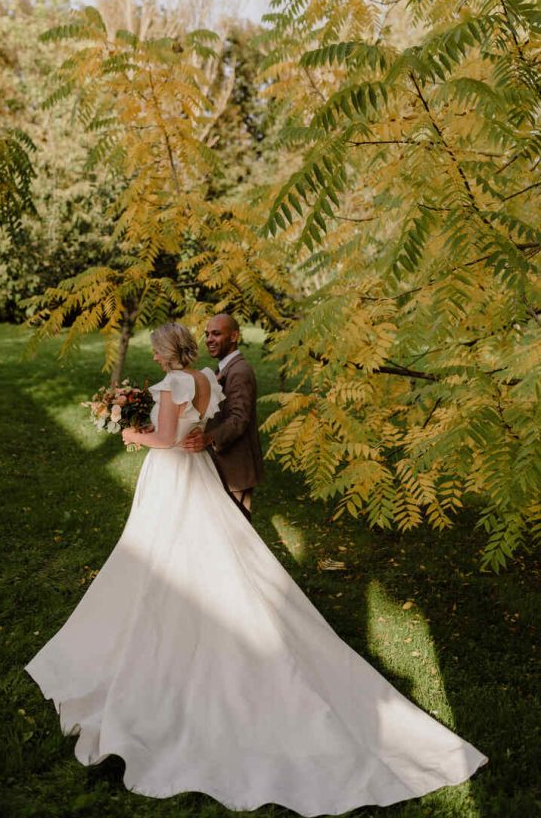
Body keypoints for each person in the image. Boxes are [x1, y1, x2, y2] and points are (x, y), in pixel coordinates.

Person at [25, 321, 486, 817]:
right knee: (211, 548)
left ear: (164, 352)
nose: (155, 358)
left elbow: (163, 437)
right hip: (199, 475)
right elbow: (200, 422)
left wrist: (129, 433)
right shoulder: (205, 377)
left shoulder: (172, 383)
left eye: (157, 352)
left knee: (162, 555)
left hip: (172, 476)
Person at [183, 313, 262, 522]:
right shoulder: (224, 368)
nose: (209, 339)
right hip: (223, 465)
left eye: (216, 334)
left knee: (238, 532)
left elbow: (239, 419)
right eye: (207, 334)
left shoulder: (240, 371)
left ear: (234, 336)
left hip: (237, 468)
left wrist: (208, 438)